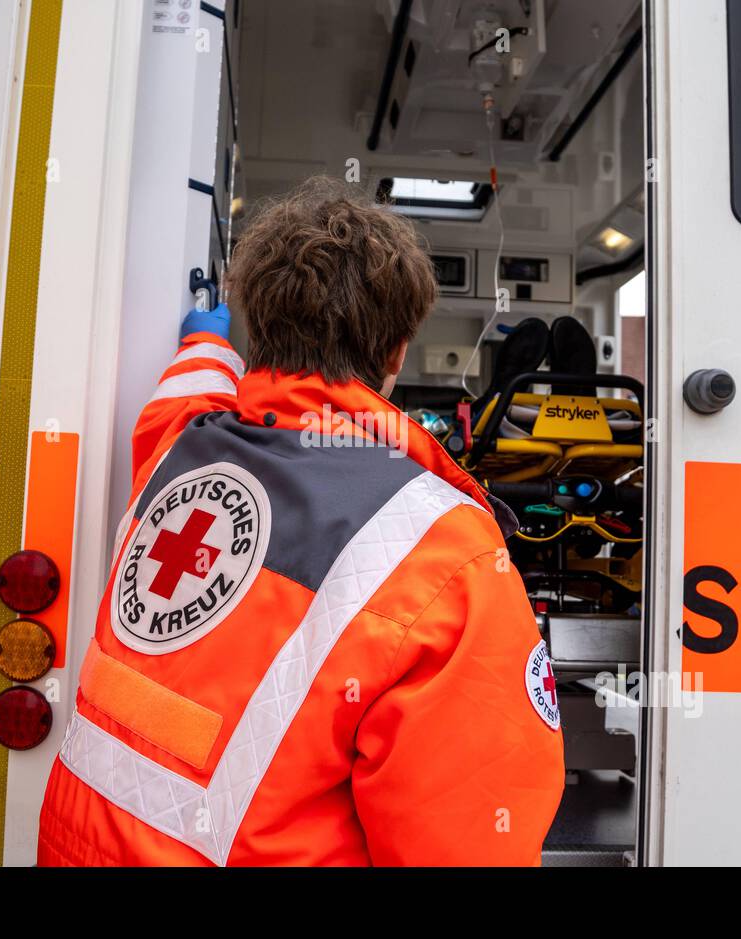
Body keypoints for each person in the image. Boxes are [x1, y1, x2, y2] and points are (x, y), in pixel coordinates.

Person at [37, 177, 564, 866]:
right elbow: (464, 838)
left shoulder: (181, 451)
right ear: (398, 351)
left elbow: (183, 395)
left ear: (261, 331)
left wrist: (204, 342)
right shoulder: (448, 554)